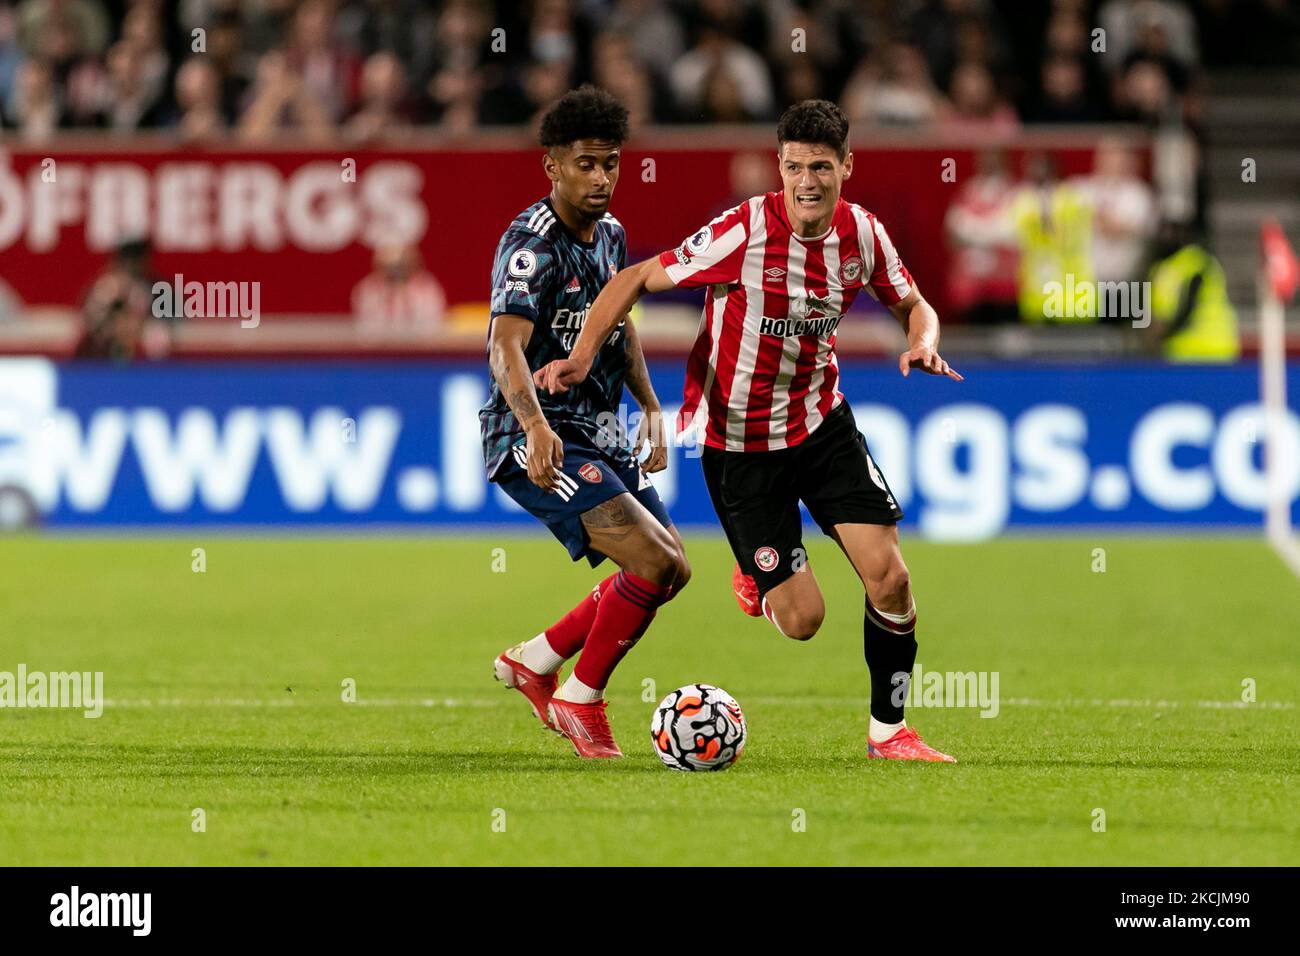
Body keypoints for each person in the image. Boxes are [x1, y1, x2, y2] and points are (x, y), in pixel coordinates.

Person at [537, 99, 959, 762]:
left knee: (892, 579)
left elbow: (911, 301)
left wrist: (923, 340)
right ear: (780, 168)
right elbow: (635, 277)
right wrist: (584, 355)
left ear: (846, 166)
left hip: (822, 425)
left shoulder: (863, 235)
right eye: (794, 167)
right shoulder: (745, 230)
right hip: (739, 447)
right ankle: (752, 570)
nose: (807, 181)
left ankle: (890, 733)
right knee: (802, 622)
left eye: (821, 166)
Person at [482, 86, 690, 759]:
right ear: (552, 166)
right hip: (533, 436)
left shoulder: (613, 237)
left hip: (596, 428)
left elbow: (620, 330)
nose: (600, 178)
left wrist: (653, 409)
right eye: (585, 165)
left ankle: (537, 661)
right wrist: (536, 427)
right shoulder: (528, 244)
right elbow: (503, 345)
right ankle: (580, 698)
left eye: (610, 164)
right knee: (652, 562)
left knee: (673, 569)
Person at [1145, 220, 1239, 361]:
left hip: (1214, 349)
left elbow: (1189, 305)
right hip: (1178, 351)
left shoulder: (1198, 261)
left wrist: (1164, 333)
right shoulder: (1159, 270)